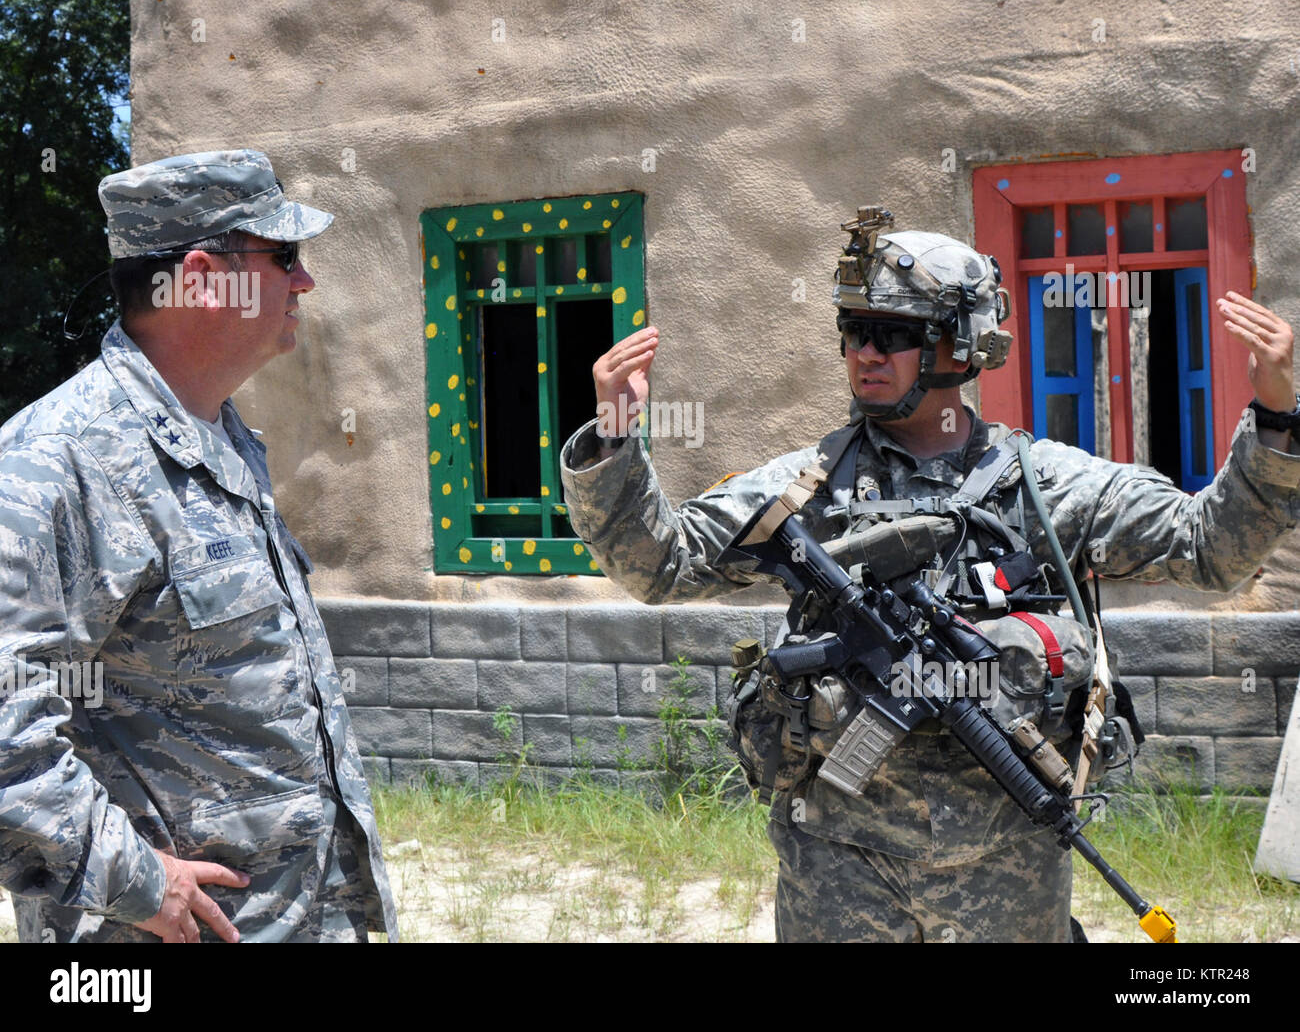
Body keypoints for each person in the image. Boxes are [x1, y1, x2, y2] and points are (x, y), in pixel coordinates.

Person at [560, 206, 1300, 942]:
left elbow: (1211, 549)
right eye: (854, 332)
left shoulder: (1045, 487)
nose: (866, 354)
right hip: (840, 868)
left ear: (960, 345)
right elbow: (661, 563)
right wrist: (615, 439)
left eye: (895, 335)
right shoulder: (805, 490)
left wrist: (1274, 416)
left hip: (1005, 868)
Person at [0, 149, 398, 943]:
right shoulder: (58, 458)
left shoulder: (222, 436)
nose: (304, 281)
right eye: (284, 256)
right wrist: (139, 882)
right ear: (204, 277)